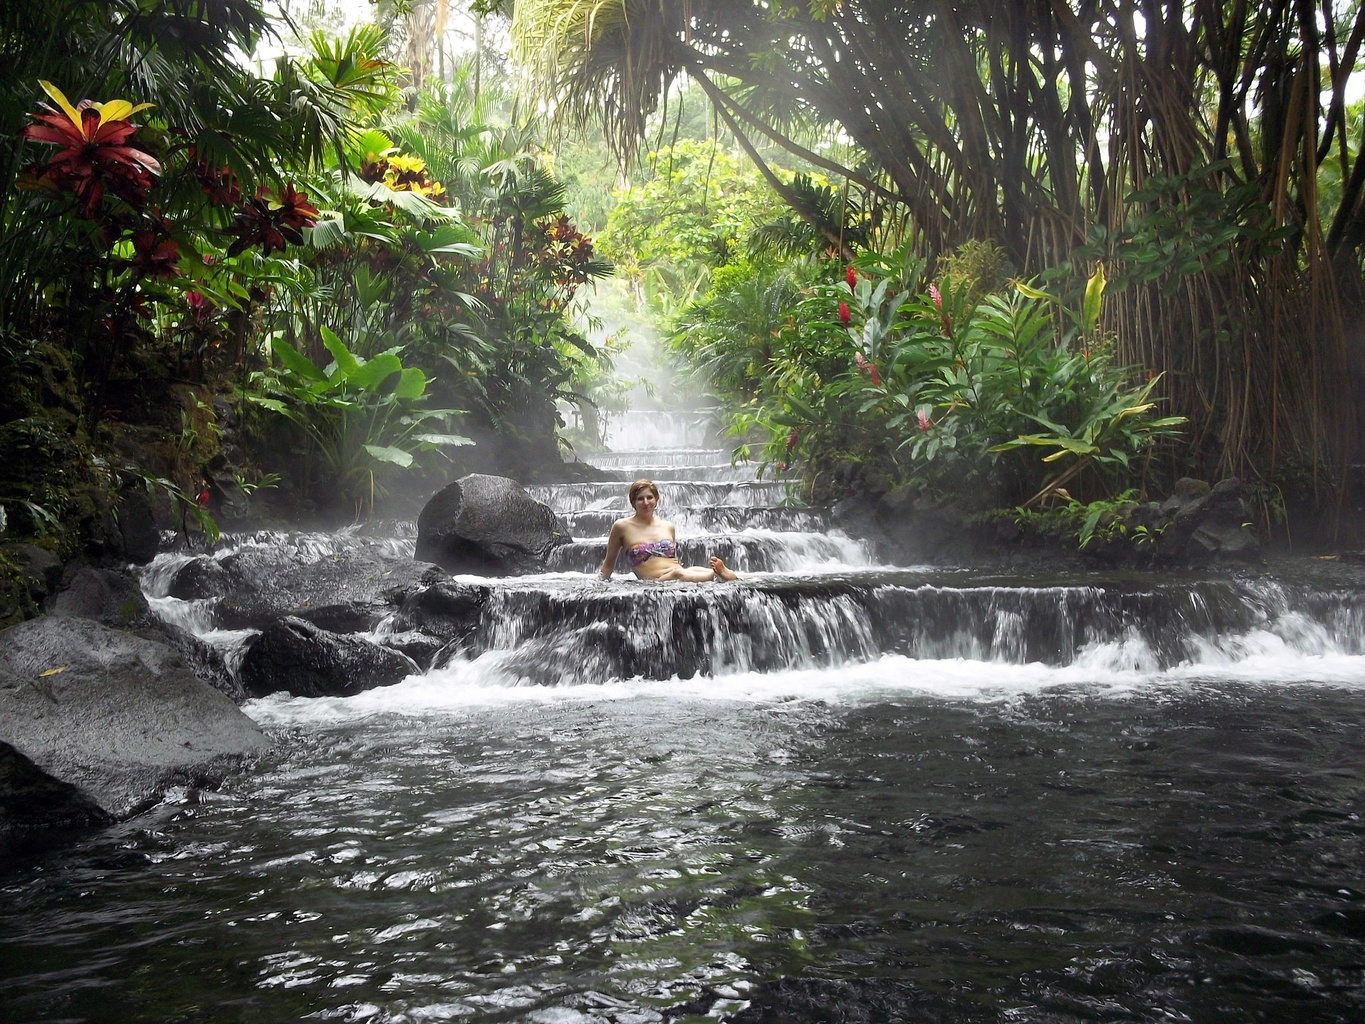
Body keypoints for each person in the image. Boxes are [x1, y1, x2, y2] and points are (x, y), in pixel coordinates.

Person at [598, 478, 738, 582]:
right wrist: (599, 584)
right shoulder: (621, 526)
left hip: (676, 573)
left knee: (689, 570)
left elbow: (672, 560)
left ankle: (720, 572)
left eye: (649, 497)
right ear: (633, 502)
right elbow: (609, 563)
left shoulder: (668, 526)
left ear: (656, 500)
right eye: (640, 499)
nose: (646, 502)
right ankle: (719, 575)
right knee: (678, 573)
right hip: (654, 581)